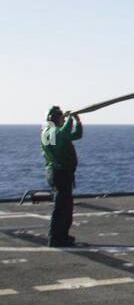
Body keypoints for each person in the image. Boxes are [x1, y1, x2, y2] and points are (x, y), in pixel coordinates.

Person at [40, 106, 83, 247]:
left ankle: (62, 236)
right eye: (61, 117)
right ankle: (55, 238)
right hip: (60, 173)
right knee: (61, 208)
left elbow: (76, 135)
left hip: (60, 173)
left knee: (66, 206)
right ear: (55, 118)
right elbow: (65, 132)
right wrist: (71, 118)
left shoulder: (50, 132)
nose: (62, 119)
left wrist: (77, 122)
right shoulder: (53, 132)